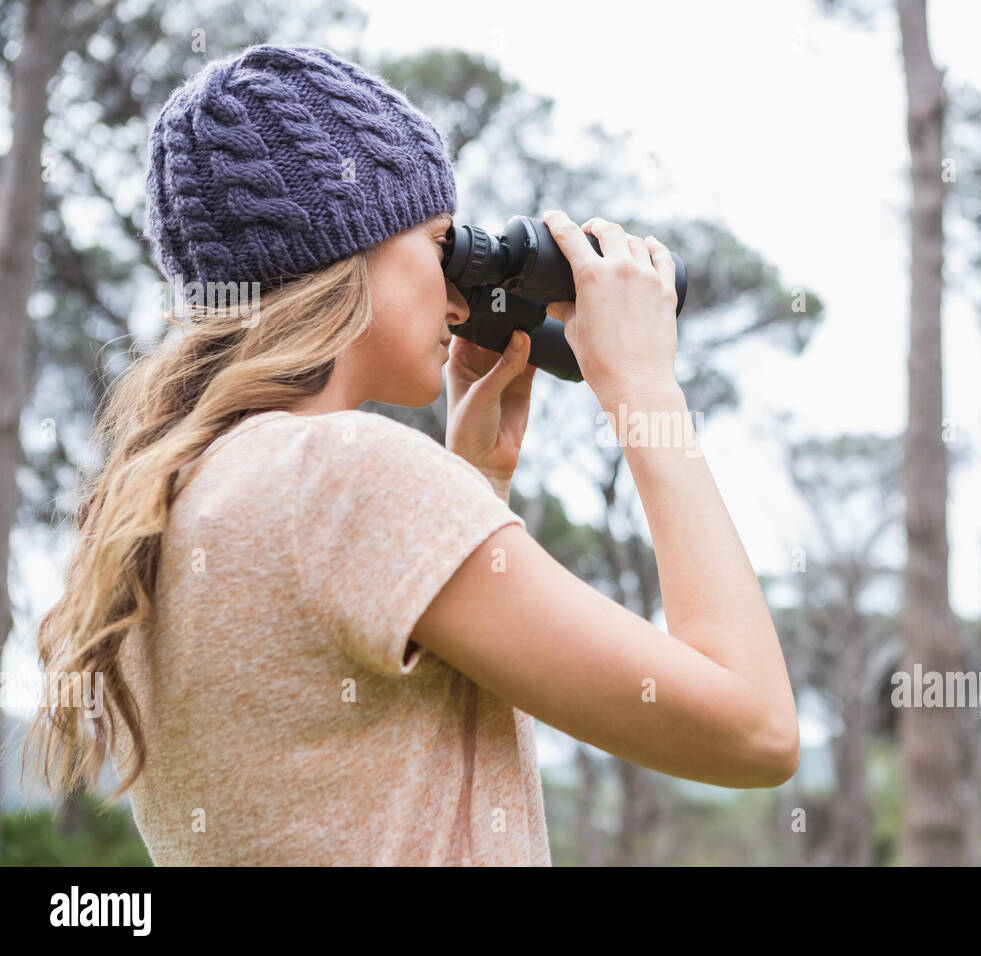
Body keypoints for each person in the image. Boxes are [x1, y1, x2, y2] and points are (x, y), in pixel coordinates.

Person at [24, 43, 798, 866]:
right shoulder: (346, 472)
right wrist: (644, 388)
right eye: (439, 245)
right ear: (350, 249)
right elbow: (755, 730)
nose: (462, 294)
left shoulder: (173, 498)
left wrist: (472, 494)